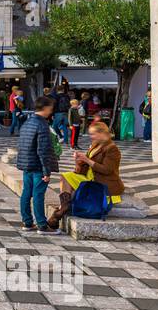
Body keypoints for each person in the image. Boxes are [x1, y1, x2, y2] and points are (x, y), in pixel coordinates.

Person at [48, 121, 125, 228]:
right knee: (65, 176)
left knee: (68, 181)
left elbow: (107, 170)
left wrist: (87, 160)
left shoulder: (112, 148)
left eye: (93, 134)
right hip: (89, 177)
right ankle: (64, 207)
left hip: (102, 182)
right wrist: (79, 160)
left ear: (102, 133)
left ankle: (60, 211)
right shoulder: (95, 145)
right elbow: (83, 167)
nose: (91, 136)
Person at [16, 96, 59, 233]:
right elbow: (43, 150)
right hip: (38, 165)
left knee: (26, 193)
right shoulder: (42, 125)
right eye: (50, 108)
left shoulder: (27, 122)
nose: (51, 111)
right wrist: (46, 171)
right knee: (38, 195)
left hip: (27, 164)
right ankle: (42, 224)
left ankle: (27, 222)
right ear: (45, 108)